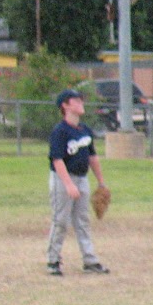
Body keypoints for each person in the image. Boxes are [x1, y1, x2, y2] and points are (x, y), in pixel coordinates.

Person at [46, 87, 110, 276]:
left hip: (82, 179)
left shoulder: (84, 130)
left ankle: (90, 261)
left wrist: (101, 182)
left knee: (82, 221)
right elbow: (57, 160)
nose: (81, 103)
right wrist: (68, 184)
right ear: (65, 106)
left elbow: (93, 158)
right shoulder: (60, 131)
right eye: (76, 101)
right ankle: (53, 261)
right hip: (62, 179)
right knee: (60, 221)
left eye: (81, 100)